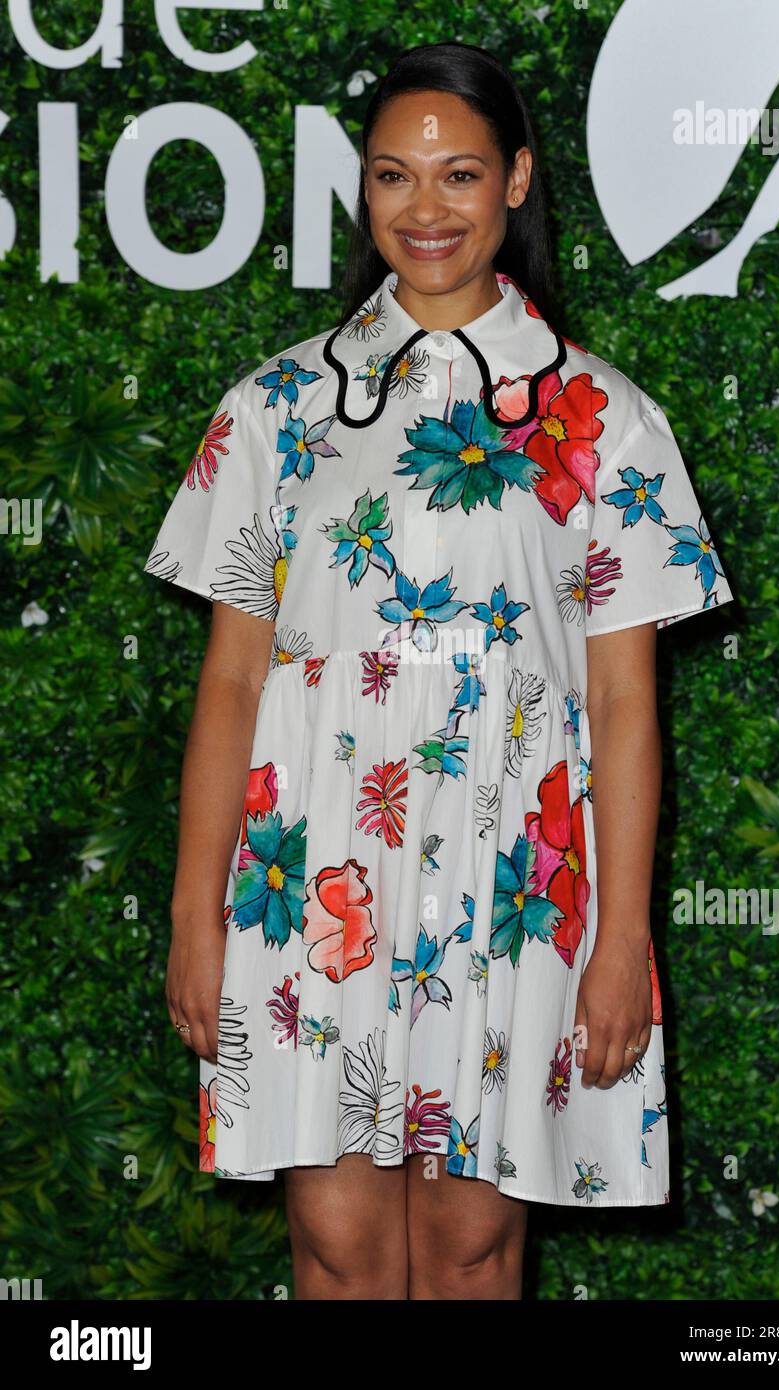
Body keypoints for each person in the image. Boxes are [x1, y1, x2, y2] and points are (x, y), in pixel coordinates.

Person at [145, 40, 735, 1301]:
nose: (427, 208)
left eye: (459, 174)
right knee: (340, 1252)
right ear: (362, 193)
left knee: (470, 1251)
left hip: (511, 877)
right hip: (305, 882)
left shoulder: (601, 417)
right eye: (394, 177)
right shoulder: (276, 413)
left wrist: (621, 936)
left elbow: (626, 701)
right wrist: (197, 914)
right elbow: (232, 686)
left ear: (516, 182)